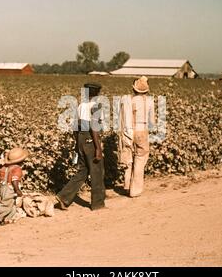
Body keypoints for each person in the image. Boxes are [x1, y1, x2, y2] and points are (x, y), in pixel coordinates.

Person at [55, 82, 106, 211]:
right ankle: (98, 203)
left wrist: (78, 144)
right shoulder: (96, 106)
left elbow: (75, 127)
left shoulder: (80, 106)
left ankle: (64, 197)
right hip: (91, 138)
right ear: (97, 94)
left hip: (82, 139)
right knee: (97, 171)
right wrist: (98, 148)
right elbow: (94, 128)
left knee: (83, 172)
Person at [118, 76, 155, 198]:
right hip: (142, 130)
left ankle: (127, 185)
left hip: (130, 131)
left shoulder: (129, 100)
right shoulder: (149, 101)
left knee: (129, 157)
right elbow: (152, 122)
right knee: (140, 158)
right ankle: (135, 189)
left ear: (134, 89)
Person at [0, 147, 28, 226]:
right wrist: (18, 190)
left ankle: (7, 219)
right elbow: (14, 181)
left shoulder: (4, 168)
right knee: (6, 204)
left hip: (3, 187)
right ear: (21, 161)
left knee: (12, 204)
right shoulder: (17, 169)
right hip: (10, 188)